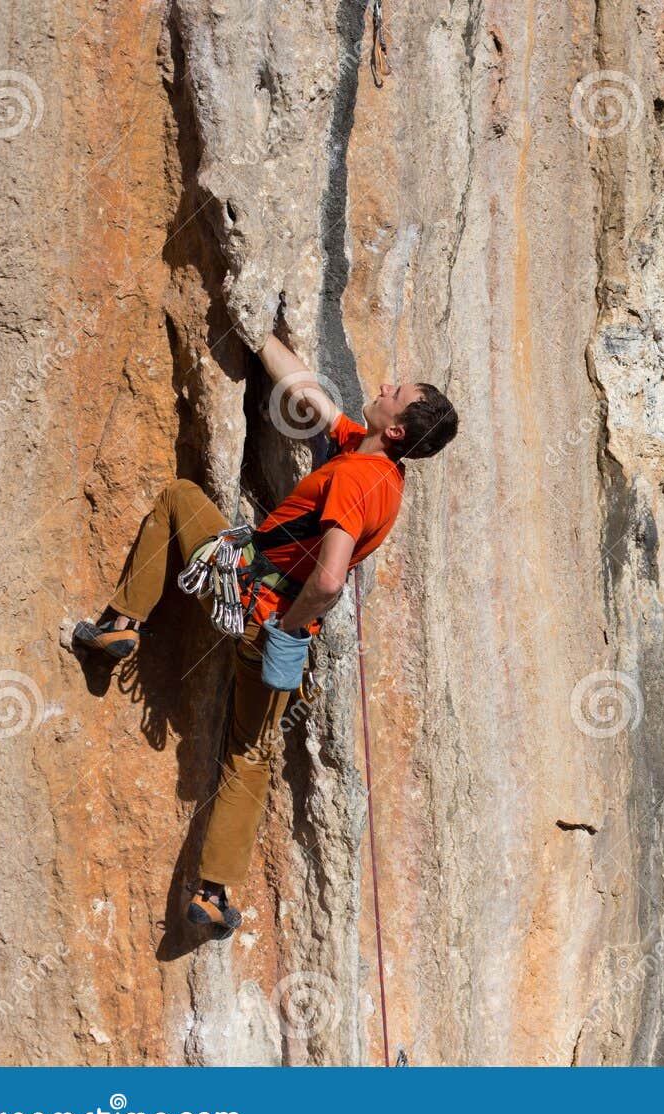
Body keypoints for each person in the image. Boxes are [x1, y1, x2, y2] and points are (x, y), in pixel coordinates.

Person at [74, 333, 459, 934]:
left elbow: (330, 579)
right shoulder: (374, 465)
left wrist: (286, 626)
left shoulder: (357, 482)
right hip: (270, 624)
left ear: (399, 431)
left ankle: (121, 625)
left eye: (394, 394)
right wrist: (257, 332)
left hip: (254, 599)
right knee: (248, 754)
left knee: (178, 497)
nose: (382, 388)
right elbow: (307, 391)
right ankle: (211, 893)